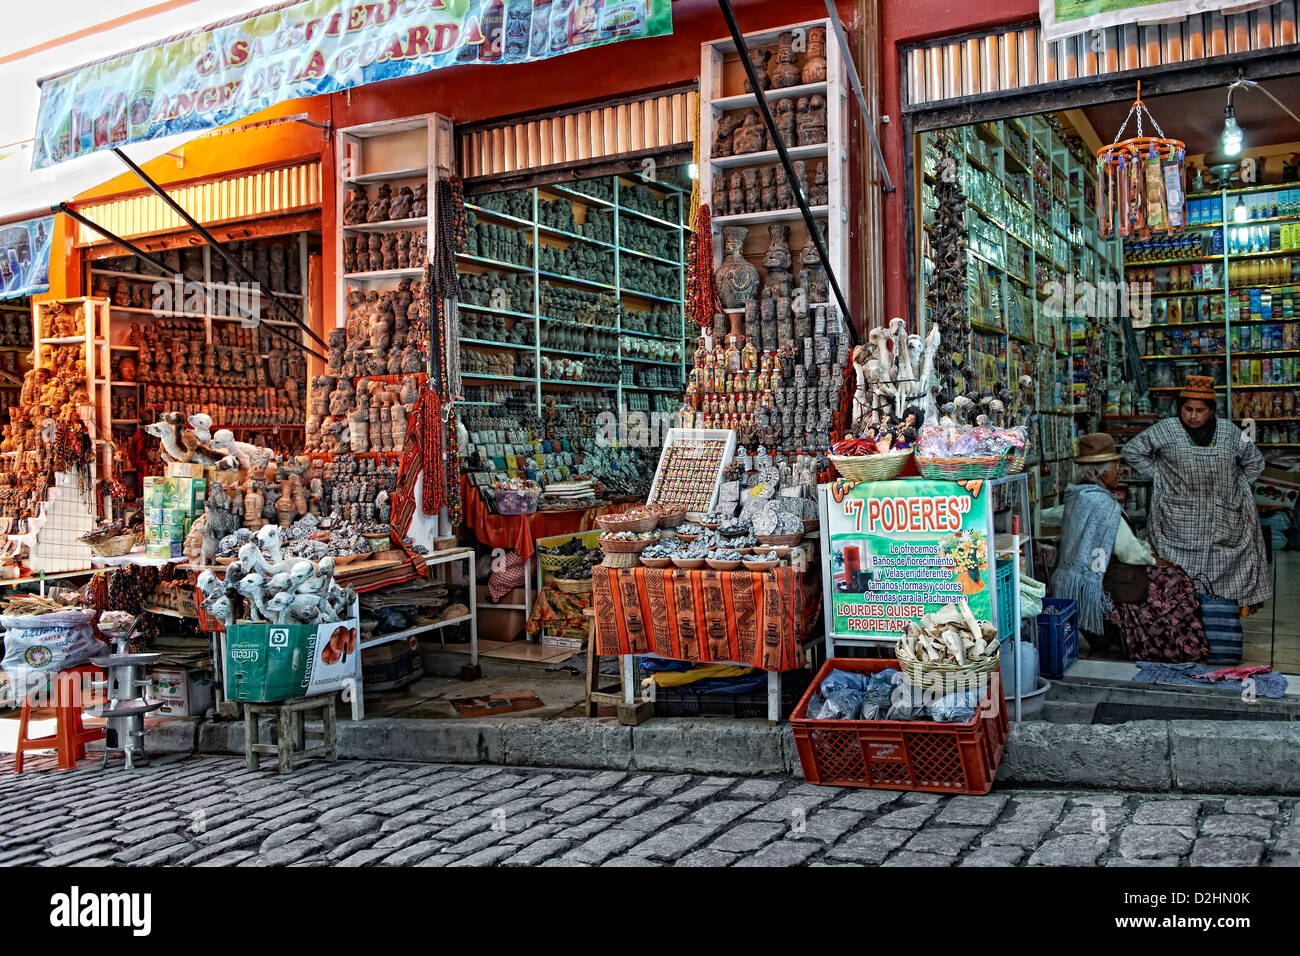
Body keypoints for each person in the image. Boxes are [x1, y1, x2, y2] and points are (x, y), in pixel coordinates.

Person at [1051, 433, 1208, 661]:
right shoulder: (1103, 505)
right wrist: (1153, 559)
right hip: (1107, 582)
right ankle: (1179, 647)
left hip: (1084, 577)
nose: (1118, 471)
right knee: (1176, 581)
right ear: (1103, 472)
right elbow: (1127, 551)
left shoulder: (1079, 497)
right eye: (1115, 466)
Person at [1123, 375, 1272, 610]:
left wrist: (1235, 486)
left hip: (1223, 519)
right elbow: (1132, 452)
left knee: (1222, 579)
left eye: (1199, 410)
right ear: (1179, 408)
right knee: (1178, 579)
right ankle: (1181, 624)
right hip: (1177, 522)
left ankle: (1219, 619)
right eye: (1187, 409)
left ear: (1211, 411)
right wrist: (1162, 477)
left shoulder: (1231, 432)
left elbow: (1255, 461)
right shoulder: (1165, 429)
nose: (1192, 415)